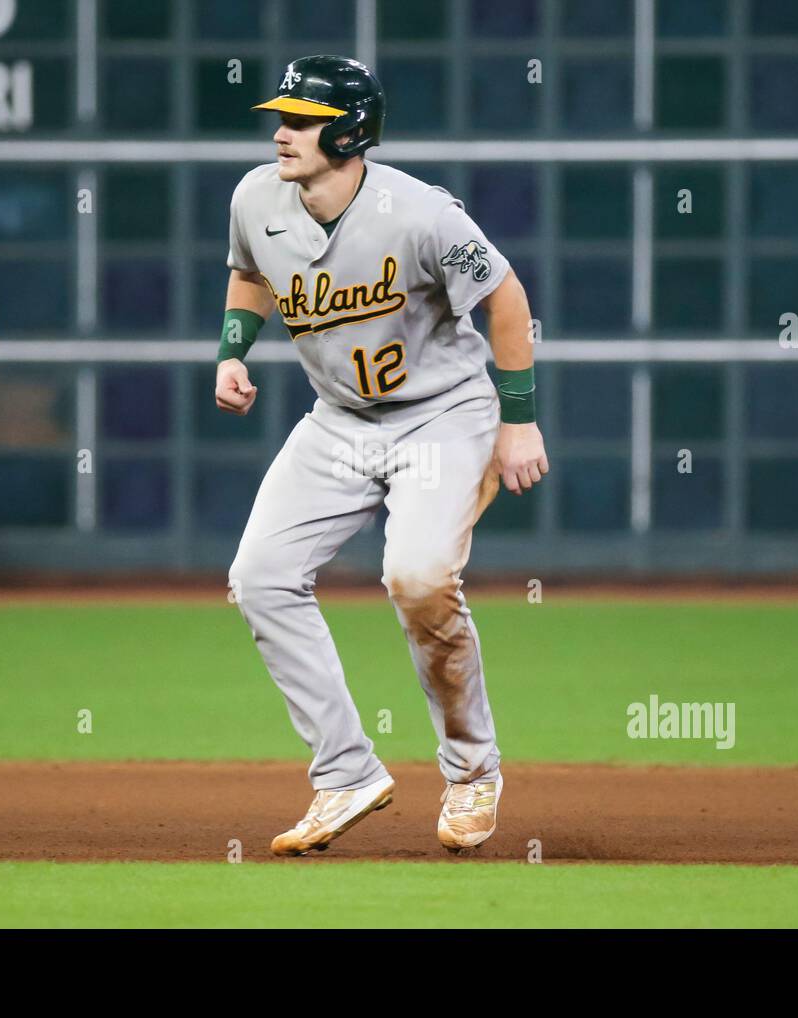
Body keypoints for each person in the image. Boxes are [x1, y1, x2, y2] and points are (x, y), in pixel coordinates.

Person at [217, 56, 548, 856]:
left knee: (419, 577)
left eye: (301, 119)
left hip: (442, 414)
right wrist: (232, 350)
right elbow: (250, 273)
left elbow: (505, 297)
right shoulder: (257, 197)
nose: (282, 131)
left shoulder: (421, 213)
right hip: (338, 421)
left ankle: (472, 771)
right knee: (257, 577)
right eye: (283, 117)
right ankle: (345, 774)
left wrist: (520, 421)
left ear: (350, 129)